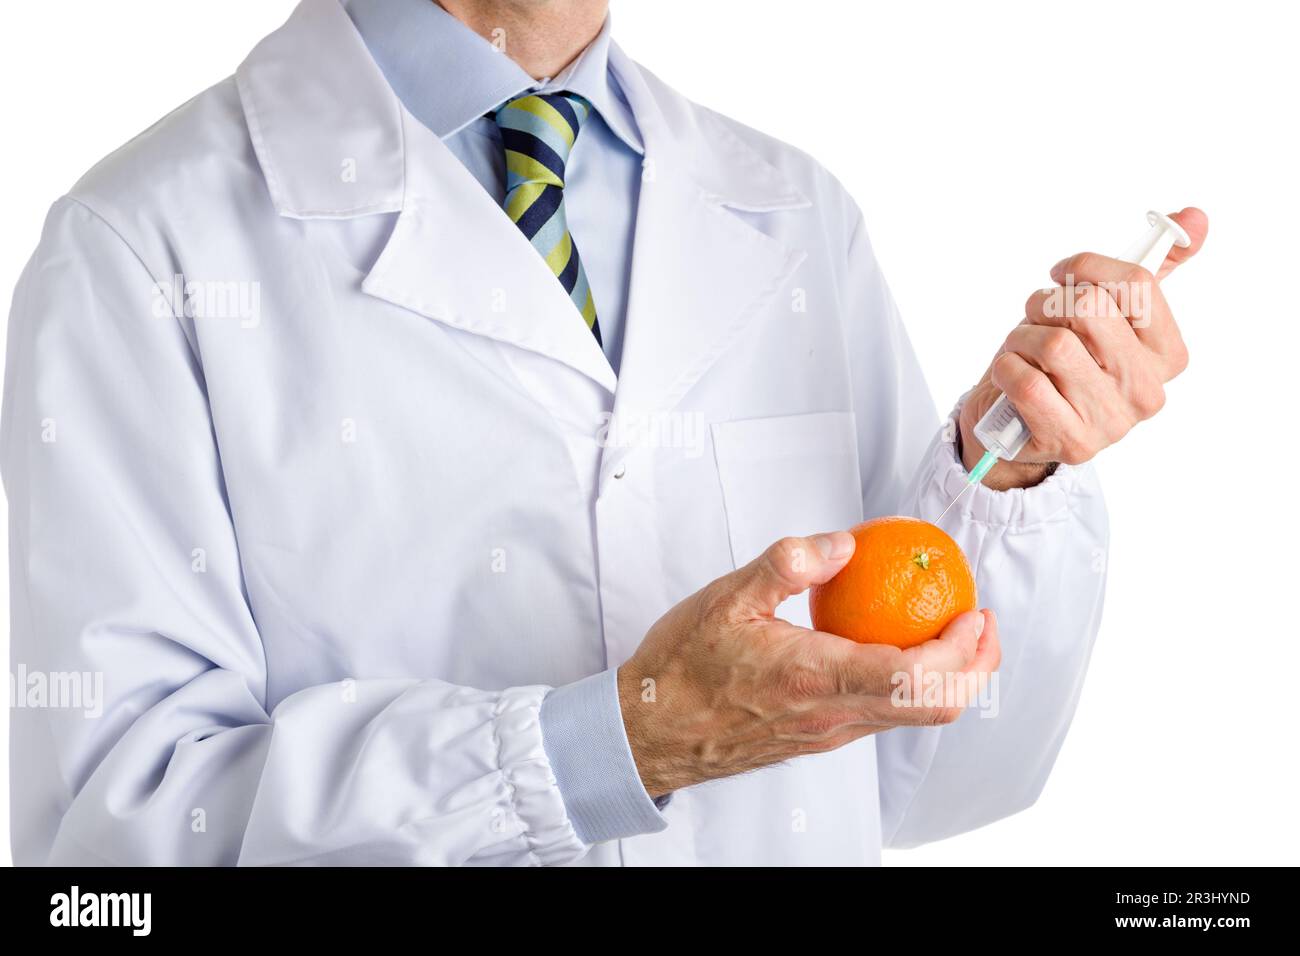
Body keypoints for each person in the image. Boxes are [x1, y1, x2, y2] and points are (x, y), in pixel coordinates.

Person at [2, 0, 1205, 866]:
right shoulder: (141, 246)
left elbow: (927, 783)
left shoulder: (790, 213)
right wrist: (607, 745)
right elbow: (116, 840)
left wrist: (1012, 457)